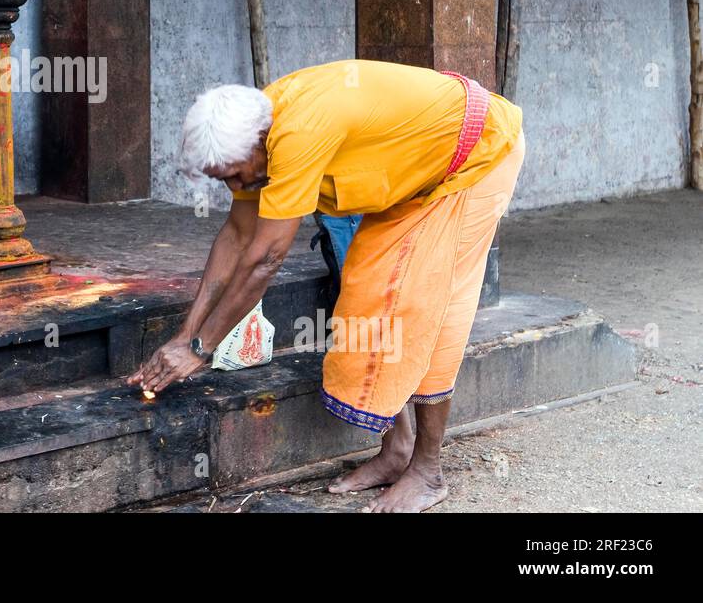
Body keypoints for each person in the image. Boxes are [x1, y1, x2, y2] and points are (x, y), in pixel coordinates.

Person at [127, 59, 525, 512]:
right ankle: (397, 452)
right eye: (227, 180)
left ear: (261, 140)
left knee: (420, 307)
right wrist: (185, 336)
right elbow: (238, 236)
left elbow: (264, 258)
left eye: (237, 175)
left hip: (475, 159)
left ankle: (427, 472)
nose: (237, 185)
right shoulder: (252, 138)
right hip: (413, 184)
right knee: (368, 296)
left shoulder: (295, 133)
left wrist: (201, 349)